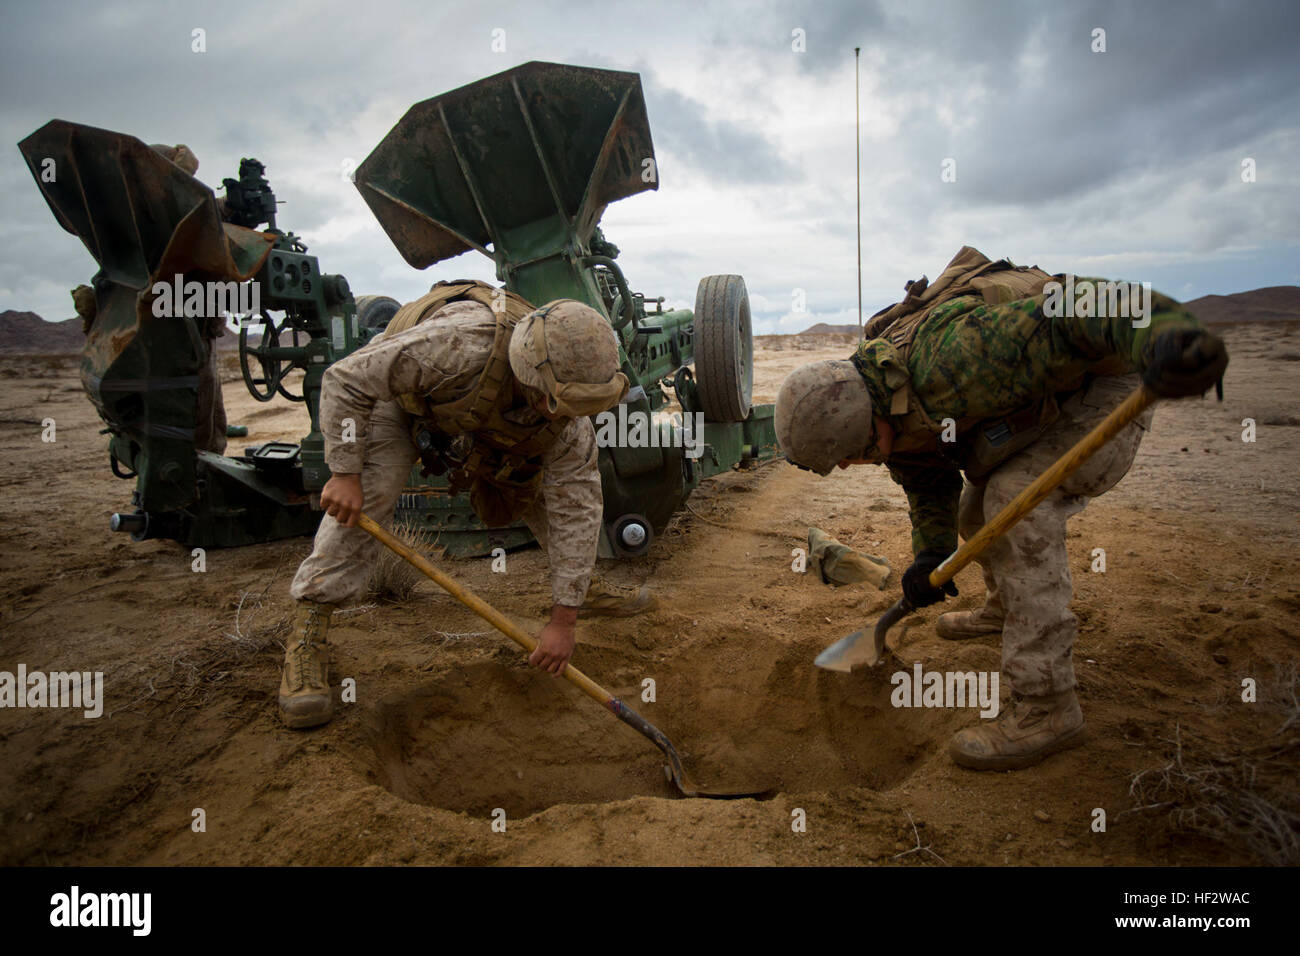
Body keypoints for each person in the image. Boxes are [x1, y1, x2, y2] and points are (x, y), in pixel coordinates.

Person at [775, 246, 1228, 770]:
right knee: (974, 515)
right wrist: (931, 557)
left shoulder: (958, 357)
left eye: (853, 454)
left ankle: (1048, 706)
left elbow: (1074, 307)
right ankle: (1003, 606)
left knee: (1013, 504)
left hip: (1110, 381)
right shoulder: (883, 394)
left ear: (863, 421)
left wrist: (1164, 328)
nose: (855, 465)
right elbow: (927, 480)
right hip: (1043, 397)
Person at [280, 282, 655, 729]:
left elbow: (577, 509)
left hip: (482, 415)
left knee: (544, 486)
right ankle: (308, 635)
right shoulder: (456, 347)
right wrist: (343, 471)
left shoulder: (568, 425)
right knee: (371, 494)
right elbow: (346, 379)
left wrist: (564, 621)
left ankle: (576, 592)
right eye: (564, 403)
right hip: (399, 402)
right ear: (533, 377)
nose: (571, 418)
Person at [70, 142, 228, 454]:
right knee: (194, 437)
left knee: (181, 430)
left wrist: (235, 206)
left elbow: (208, 212)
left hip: (174, 338)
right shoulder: (156, 220)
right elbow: (198, 214)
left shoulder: (122, 220)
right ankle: (191, 485)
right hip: (177, 343)